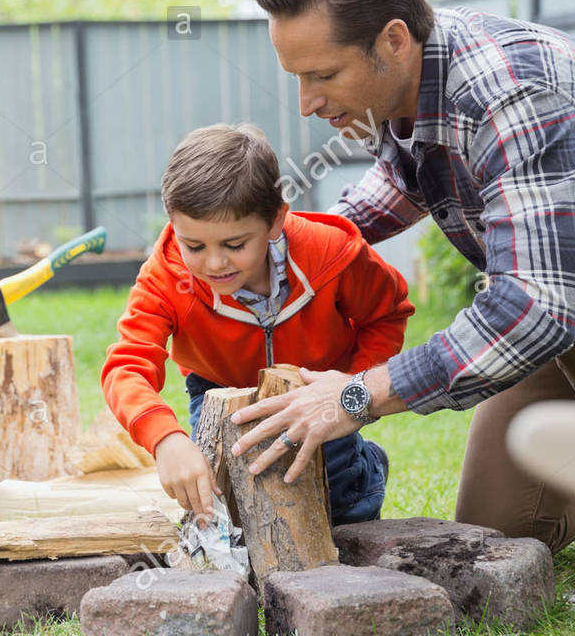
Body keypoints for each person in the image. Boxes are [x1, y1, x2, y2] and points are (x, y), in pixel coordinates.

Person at [236, 0, 575, 608]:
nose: (307, 103)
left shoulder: (506, 93)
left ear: (393, 39)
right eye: (297, 78)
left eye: (321, 76)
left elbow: (532, 309)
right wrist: (271, 251)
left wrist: (355, 396)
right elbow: (393, 191)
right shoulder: (408, 84)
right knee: (498, 526)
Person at [101, 122, 414, 526]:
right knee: (227, 503)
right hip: (219, 390)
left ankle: (363, 469)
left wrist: (350, 385)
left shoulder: (332, 253)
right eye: (193, 245)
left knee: (341, 498)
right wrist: (165, 440)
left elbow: (387, 313)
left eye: (234, 245)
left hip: (316, 384)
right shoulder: (165, 277)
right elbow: (126, 367)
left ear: (275, 221)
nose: (214, 263)